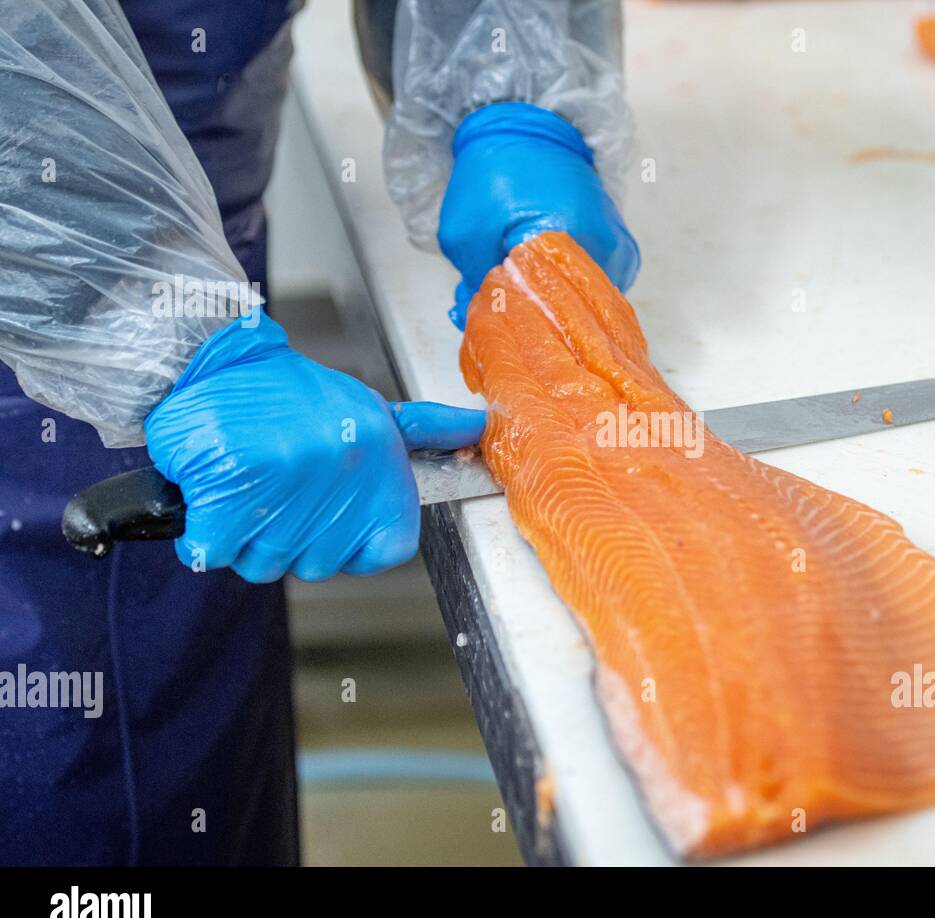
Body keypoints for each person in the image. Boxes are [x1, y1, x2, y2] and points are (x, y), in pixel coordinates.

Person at [0, 0, 639, 865]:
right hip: (46, 332)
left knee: (199, 773)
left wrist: (514, 92)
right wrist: (154, 328)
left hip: (210, 281)